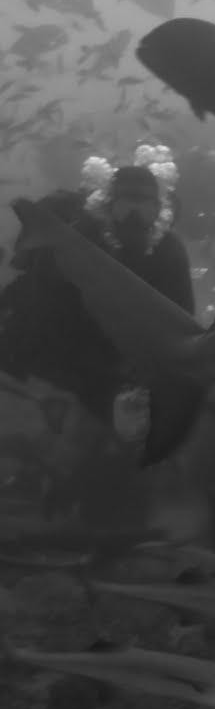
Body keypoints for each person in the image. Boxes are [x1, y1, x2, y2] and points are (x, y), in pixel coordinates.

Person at [0, 149, 195, 529]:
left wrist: (142, 388)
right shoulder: (77, 244)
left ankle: (112, 517)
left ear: (162, 210)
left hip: (115, 365)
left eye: (146, 208)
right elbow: (50, 329)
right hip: (48, 353)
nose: (135, 218)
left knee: (129, 440)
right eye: (125, 207)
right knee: (67, 439)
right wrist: (105, 391)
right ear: (107, 206)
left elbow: (179, 331)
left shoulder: (170, 253)